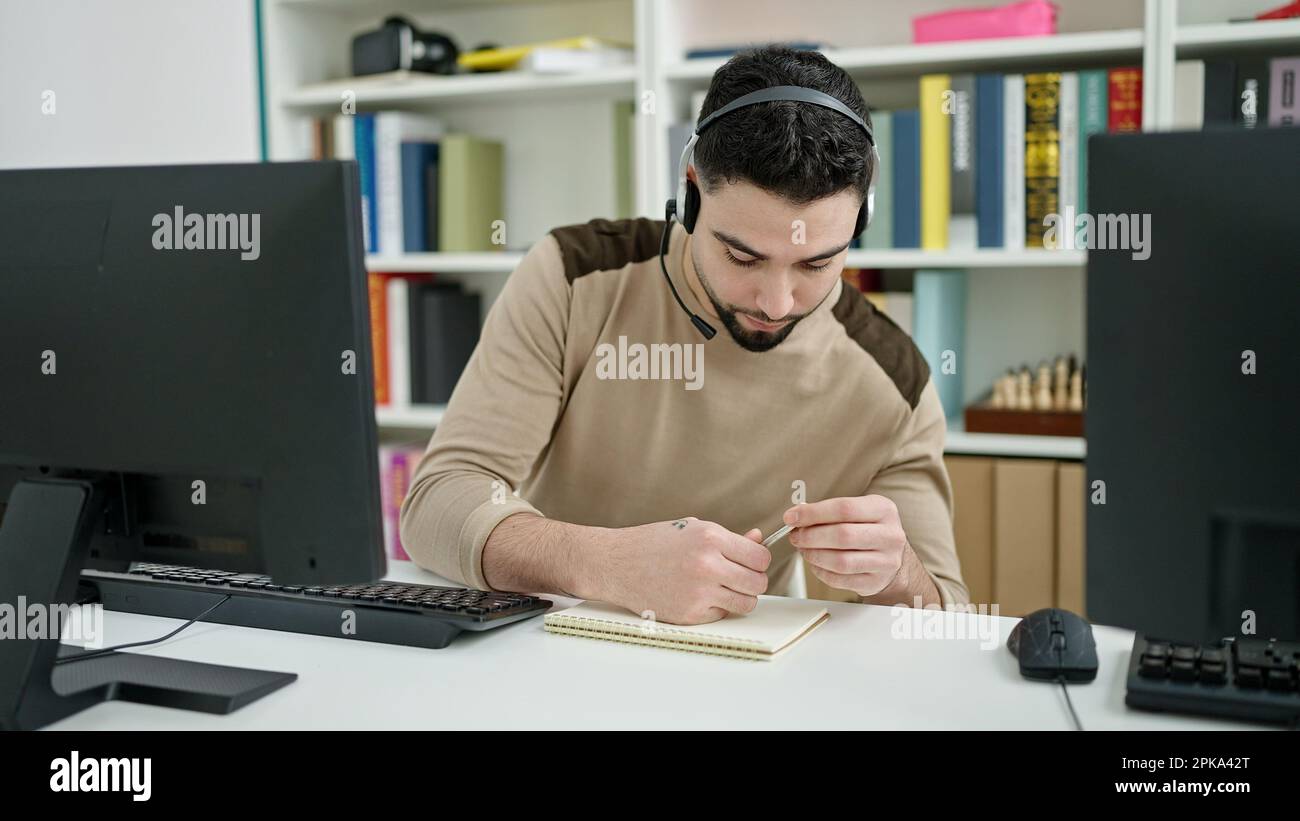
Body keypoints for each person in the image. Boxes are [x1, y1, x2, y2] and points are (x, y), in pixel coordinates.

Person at [400, 45, 968, 624]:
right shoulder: (574, 275)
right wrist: (607, 564)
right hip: (549, 655)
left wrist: (899, 574)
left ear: (860, 220)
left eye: (815, 265)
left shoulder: (896, 383)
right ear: (692, 191)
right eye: (741, 257)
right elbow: (436, 502)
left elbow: (949, 615)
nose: (775, 303)